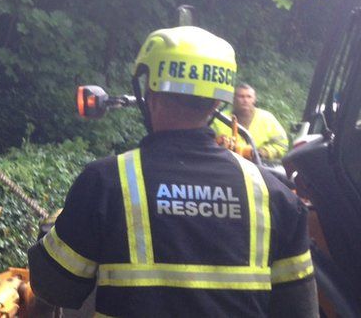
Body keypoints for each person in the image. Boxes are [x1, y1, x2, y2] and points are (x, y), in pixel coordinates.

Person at [28, 26, 317, 317]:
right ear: (217, 102)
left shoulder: (105, 183)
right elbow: (300, 310)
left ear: (149, 93)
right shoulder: (276, 196)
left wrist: (60, 229)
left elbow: (54, 288)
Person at [213, 83, 289, 162]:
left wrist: (262, 153)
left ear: (254, 99)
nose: (245, 100)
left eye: (249, 97)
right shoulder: (220, 118)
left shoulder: (267, 118)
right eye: (241, 96)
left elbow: (282, 145)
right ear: (233, 99)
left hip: (258, 167)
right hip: (225, 163)